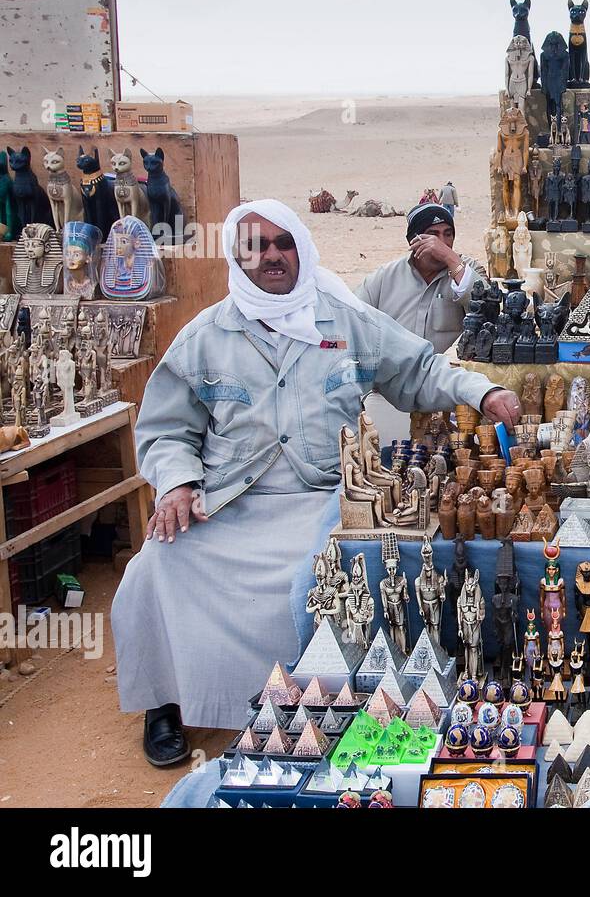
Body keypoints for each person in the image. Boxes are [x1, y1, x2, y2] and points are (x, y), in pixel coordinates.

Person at [112, 198, 520, 767]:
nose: (273, 256)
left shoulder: (343, 318)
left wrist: (481, 392)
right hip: (230, 505)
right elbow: (165, 429)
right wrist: (177, 483)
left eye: (284, 244)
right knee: (153, 569)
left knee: (324, 575)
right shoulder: (204, 337)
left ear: (301, 250)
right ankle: (166, 698)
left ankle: (315, 708)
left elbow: (417, 369)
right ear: (237, 255)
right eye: (257, 246)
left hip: (323, 500)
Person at [354, 203, 480, 352]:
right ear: (413, 240)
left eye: (448, 234)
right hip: (398, 372)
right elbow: (352, 319)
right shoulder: (385, 278)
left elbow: (487, 309)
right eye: (433, 235)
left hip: (447, 372)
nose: (442, 243)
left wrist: (450, 258)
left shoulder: (469, 270)